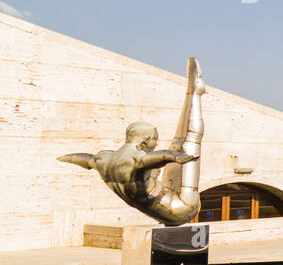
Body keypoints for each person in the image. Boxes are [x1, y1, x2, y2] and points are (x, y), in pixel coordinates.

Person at [58, 57, 205, 225]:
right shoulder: (137, 160)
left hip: (158, 208)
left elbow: (85, 159)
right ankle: (195, 92)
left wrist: (67, 157)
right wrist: (177, 157)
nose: (155, 144)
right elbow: (161, 157)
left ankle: (193, 92)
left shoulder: (103, 159)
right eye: (153, 140)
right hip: (181, 209)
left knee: (178, 145)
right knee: (189, 140)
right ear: (144, 140)